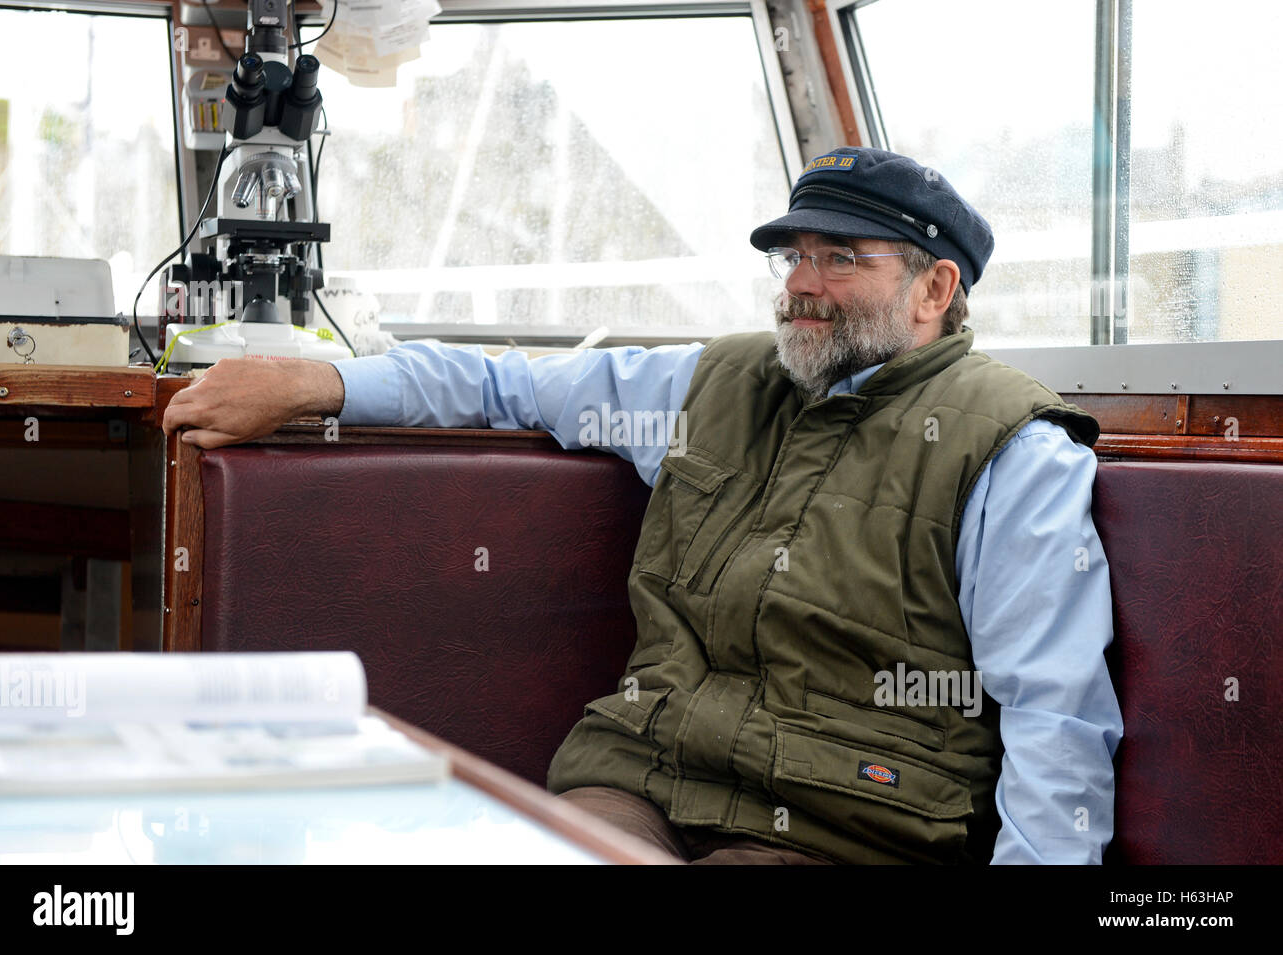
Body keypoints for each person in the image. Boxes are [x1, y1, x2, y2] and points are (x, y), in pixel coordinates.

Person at [162, 146, 1123, 865]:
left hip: (844, 825)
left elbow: (1057, 718)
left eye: (840, 259)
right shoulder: (710, 382)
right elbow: (507, 387)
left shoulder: (1014, 451)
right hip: (644, 779)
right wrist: (319, 385)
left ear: (935, 288)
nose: (801, 287)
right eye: (792, 258)